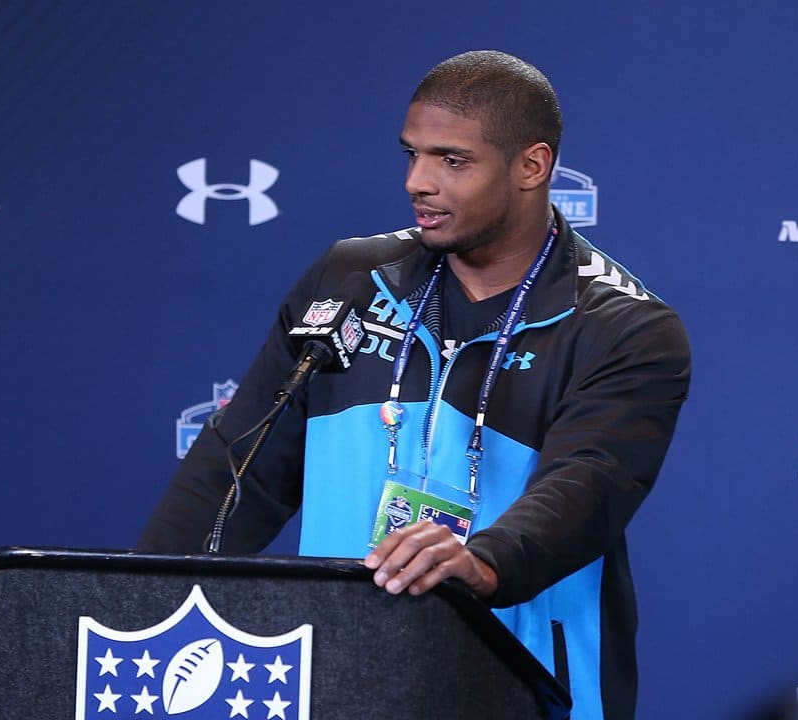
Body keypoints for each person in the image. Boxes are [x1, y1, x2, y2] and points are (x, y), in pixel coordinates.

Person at [139, 50, 691, 720]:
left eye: (452, 161)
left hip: (528, 680)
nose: (418, 183)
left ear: (532, 166)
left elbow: (592, 481)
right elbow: (240, 468)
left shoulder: (623, 325)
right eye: (412, 155)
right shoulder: (347, 280)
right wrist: (142, 599)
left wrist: (483, 561)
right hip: (342, 669)